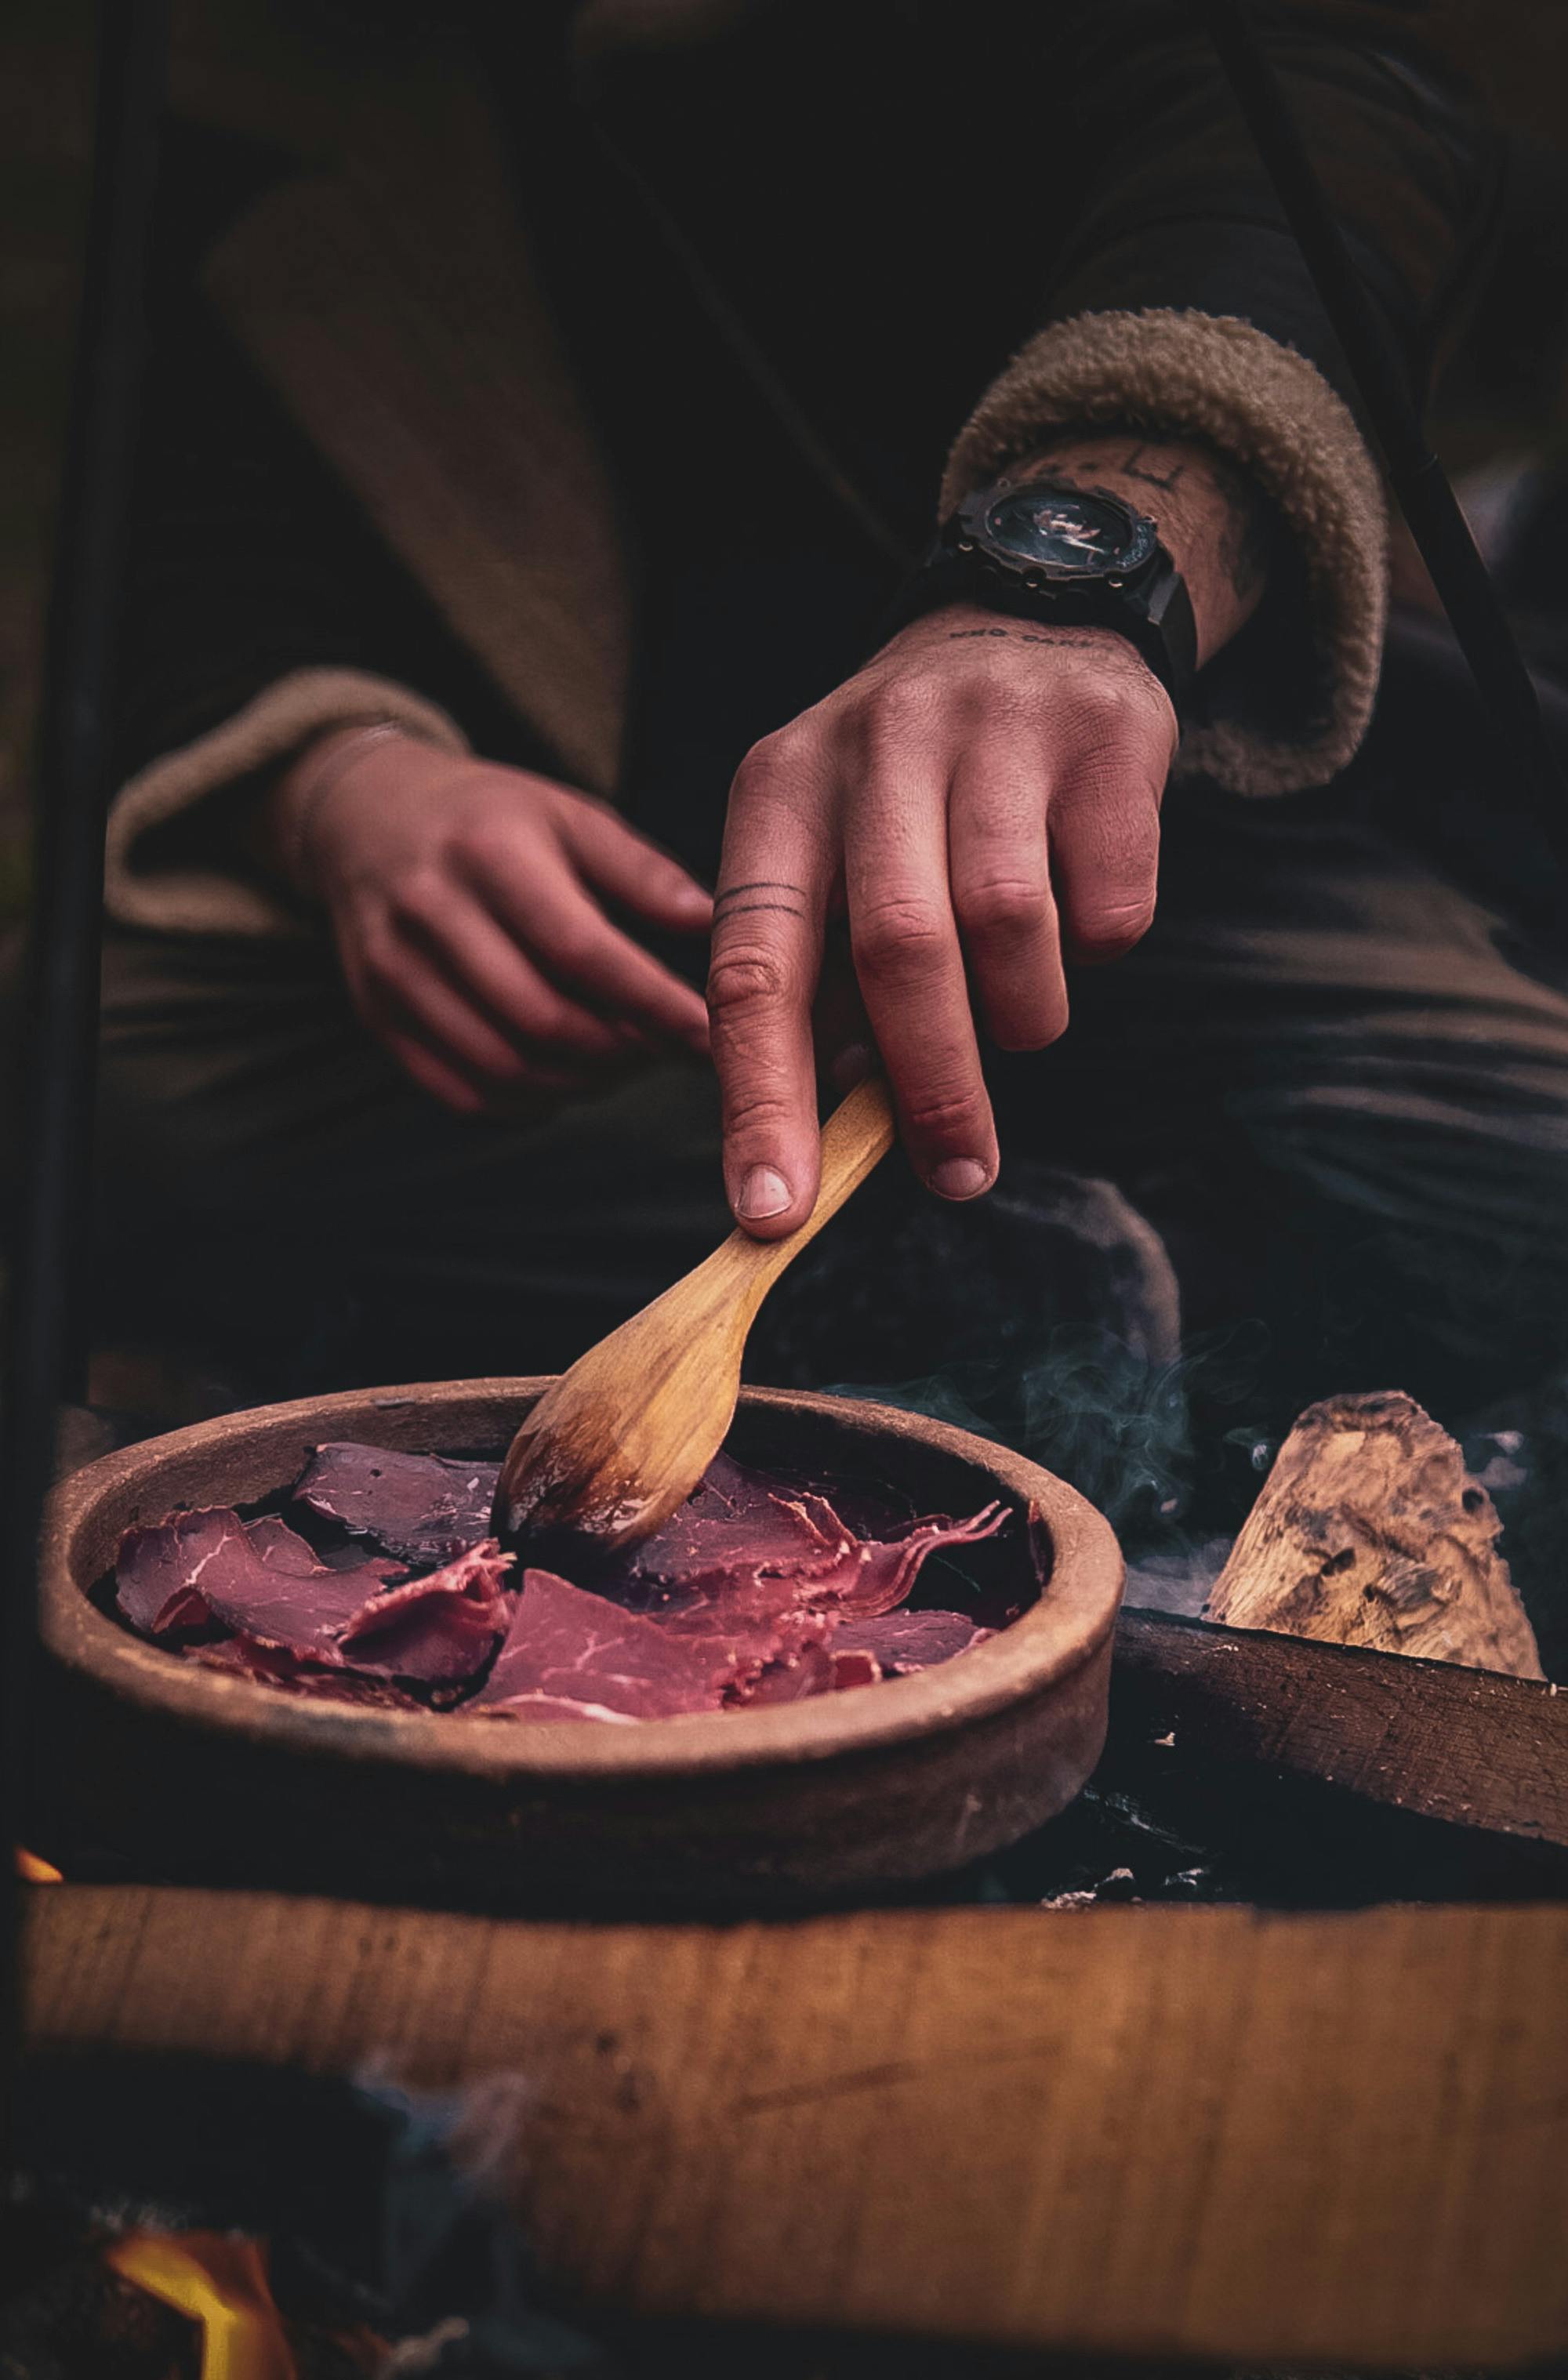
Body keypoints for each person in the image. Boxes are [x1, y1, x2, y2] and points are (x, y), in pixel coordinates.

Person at [96, 0, 1568, 1432]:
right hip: (650, 930)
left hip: (1174, 826)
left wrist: (1069, 577)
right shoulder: (291, 81)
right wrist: (344, 778)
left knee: (1524, 1173)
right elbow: (197, 523)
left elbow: (1333, 102)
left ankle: (1077, 1299)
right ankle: (1018, 1315)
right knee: (125, 1061)